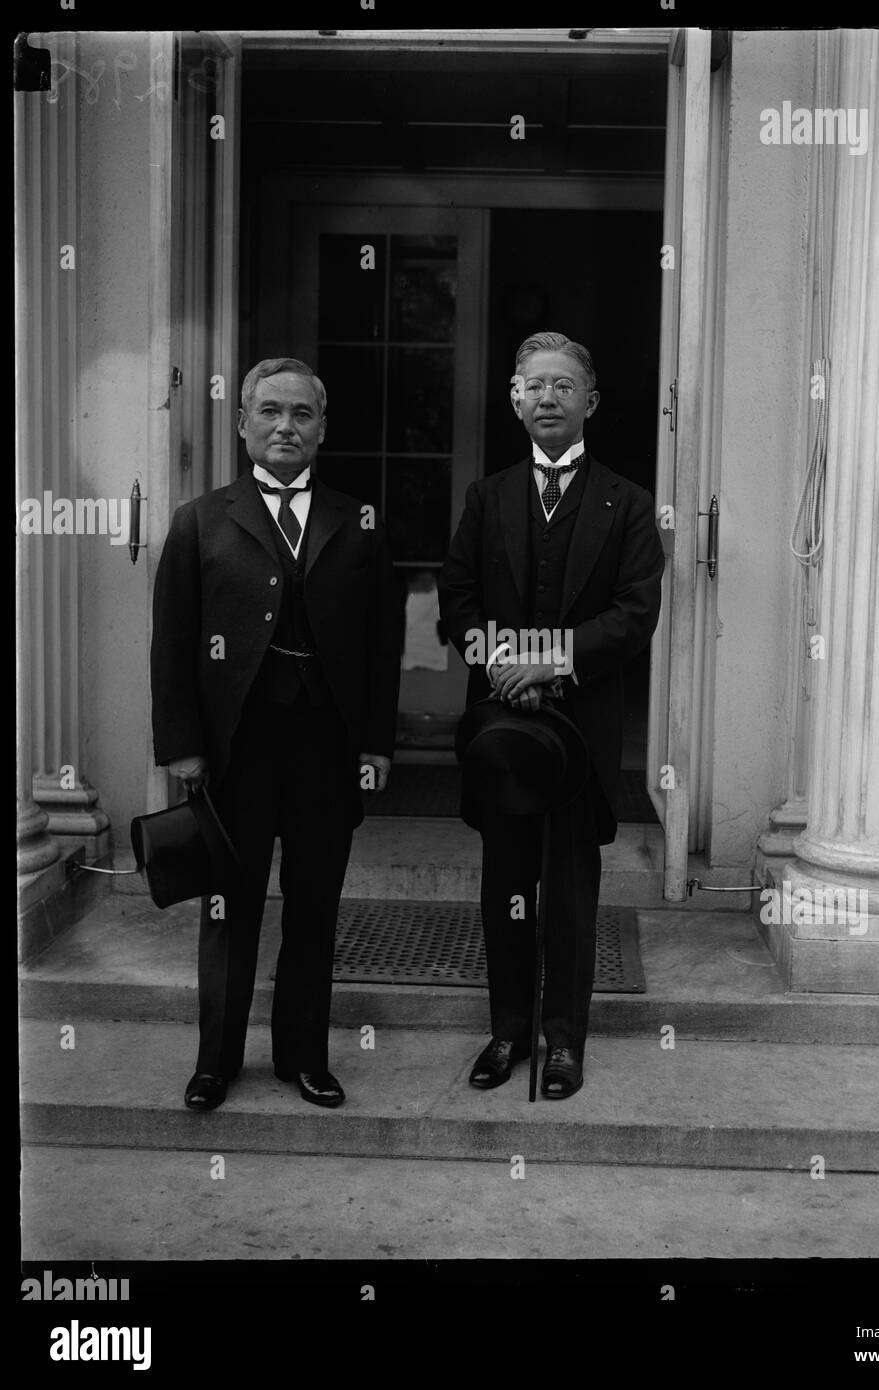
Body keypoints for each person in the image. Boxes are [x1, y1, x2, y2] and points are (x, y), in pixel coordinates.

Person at [150, 358, 401, 1111]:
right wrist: (183, 745)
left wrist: (376, 745)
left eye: (300, 414)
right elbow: (172, 641)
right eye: (269, 412)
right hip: (236, 749)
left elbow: (380, 643)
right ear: (243, 423)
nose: (284, 426)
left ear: (322, 429)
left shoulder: (357, 521)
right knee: (229, 904)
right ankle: (215, 1062)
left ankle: (304, 1057)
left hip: (326, 746)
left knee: (315, 903)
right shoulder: (201, 519)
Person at [438, 332, 664, 1099]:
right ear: (512, 398)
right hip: (503, 727)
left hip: (579, 732)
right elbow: (457, 597)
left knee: (569, 889)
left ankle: (563, 1040)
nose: (546, 398)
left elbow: (634, 616)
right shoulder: (487, 495)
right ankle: (506, 1031)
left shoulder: (627, 504)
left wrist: (553, 660)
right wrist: (504, 666)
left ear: (589, 403)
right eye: (533, 385)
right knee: (504, 879)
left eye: (563, 386)